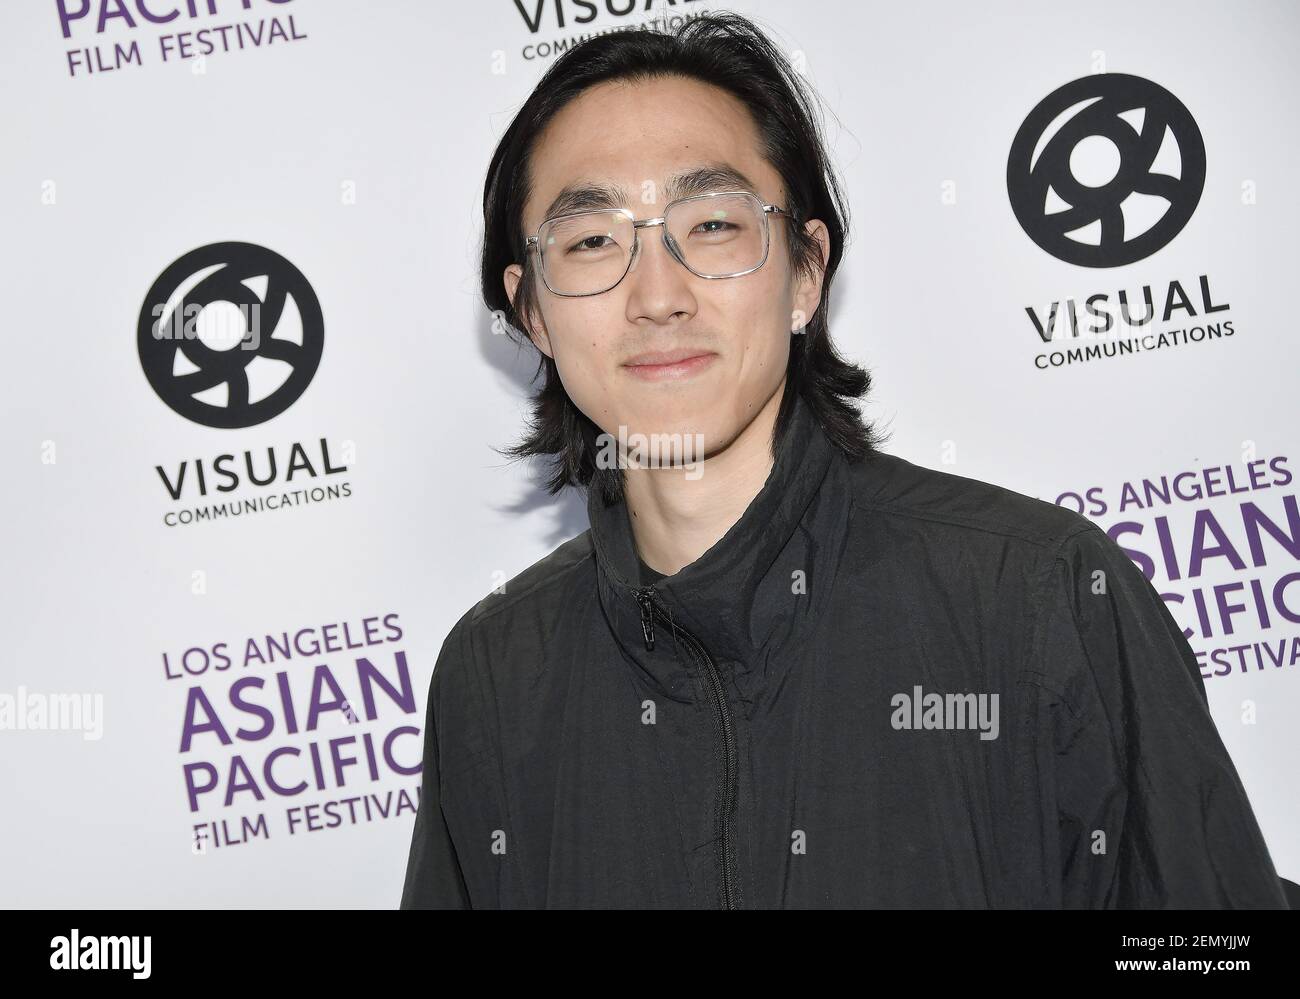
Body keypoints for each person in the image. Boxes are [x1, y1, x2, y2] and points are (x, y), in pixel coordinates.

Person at [400, 11, 1288, 909]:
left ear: (807, 271)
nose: (657, 294)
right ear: (534, 311)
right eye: (593, 239)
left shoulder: (1042, 594)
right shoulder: (494, 672)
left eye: (711, 224)